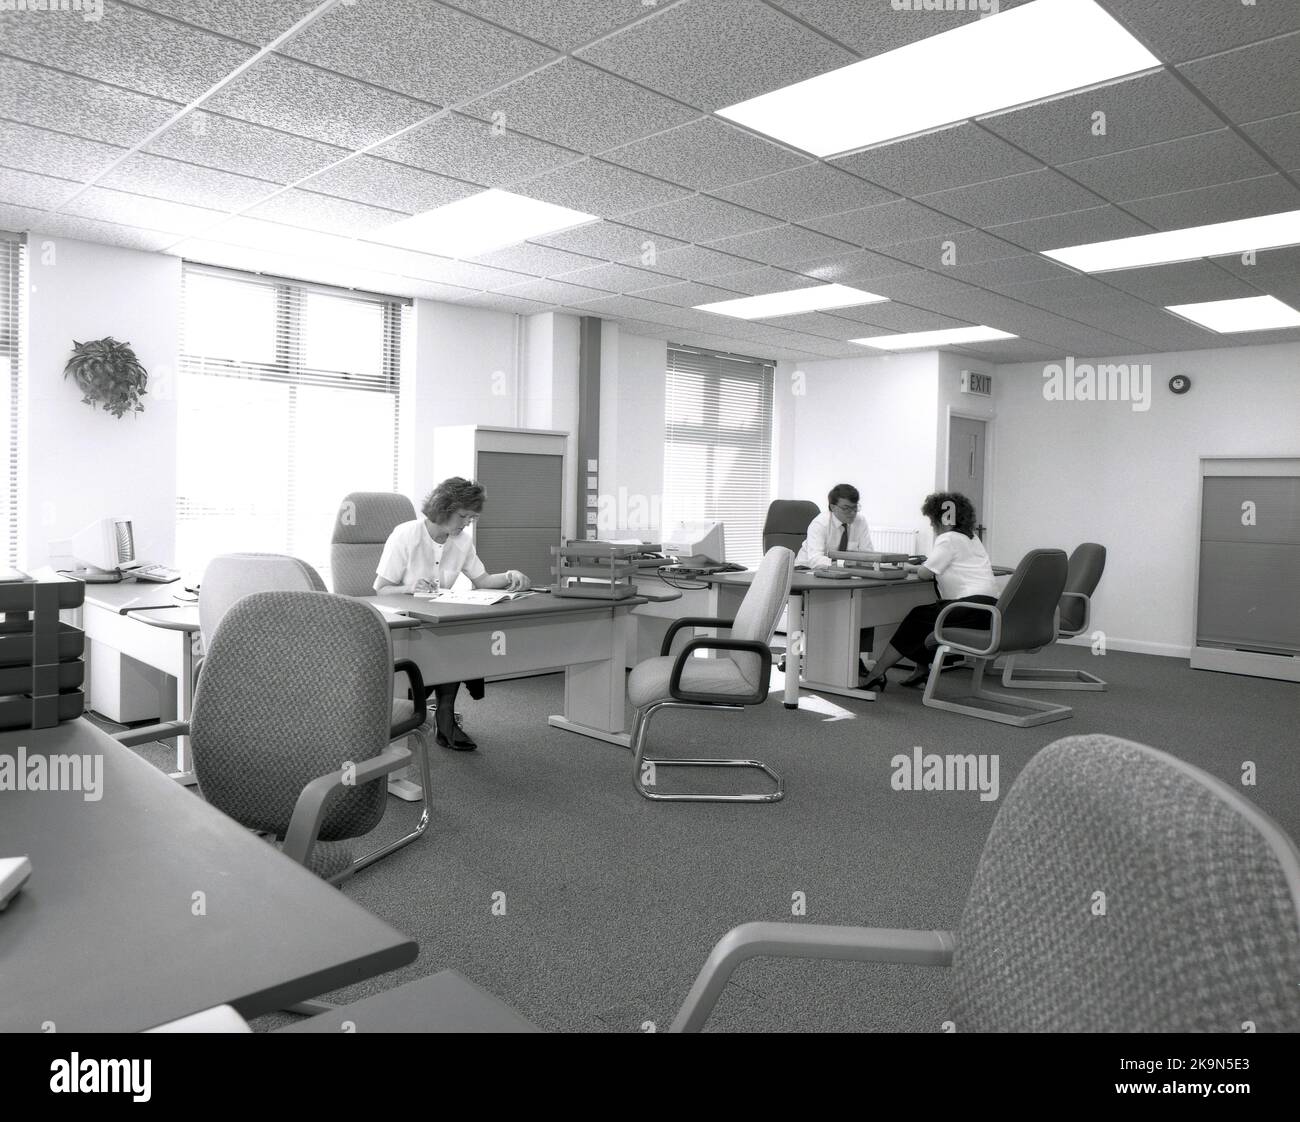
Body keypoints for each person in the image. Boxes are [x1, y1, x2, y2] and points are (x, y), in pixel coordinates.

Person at [373, 477, 530, 751]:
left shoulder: (462, 541)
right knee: (448, 642)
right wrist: (410, 587)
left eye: (471, 517)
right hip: (403, 623)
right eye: (463, 516)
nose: (467, 522)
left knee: (455, 637)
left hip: (437, 620)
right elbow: (380, 590)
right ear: (444, 509)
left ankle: (444, 715)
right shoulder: (406, 535)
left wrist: (509, 575)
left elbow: (482, 581)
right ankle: (436, 719)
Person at [862, 491, 998, 692]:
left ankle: (877, 673)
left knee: (916, 617)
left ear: (940, 518)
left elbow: (926, 573)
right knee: (927, 617)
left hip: (968, 606)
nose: (931, 525)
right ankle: (921, 670)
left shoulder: (948, 538)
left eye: (932, 519)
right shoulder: (971, 537)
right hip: (988, 608)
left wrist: (909, 567)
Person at [796, 483, 874, 568]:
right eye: (846, 508)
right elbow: (815, 559)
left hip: (842, 572)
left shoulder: (860, 521)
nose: (852, 513)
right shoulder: (820, 524)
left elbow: (868, 556)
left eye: (855, 507)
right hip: (805, 570)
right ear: (833, 507)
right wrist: (844, 563)